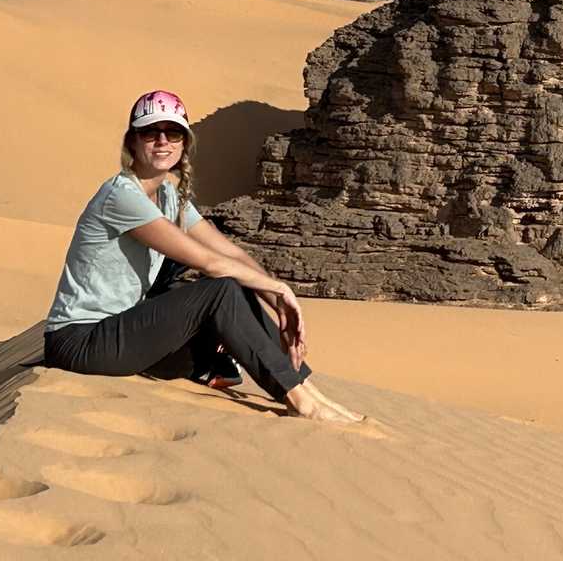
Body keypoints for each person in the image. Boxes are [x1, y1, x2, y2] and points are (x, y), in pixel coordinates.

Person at [43, 89, 364, 423]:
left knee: (236, 286)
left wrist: (277, 302)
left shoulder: (168, 196)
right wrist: (282, 290)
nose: (162, 141)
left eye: (173, 133)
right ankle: (302, 403)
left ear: (184, 144)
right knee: (221, 289)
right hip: (81, 343)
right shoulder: (121, 197)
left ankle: (307, 387)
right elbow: (209, 263)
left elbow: (229, 252)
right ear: (132, 142)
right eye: (150, 132)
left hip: (120, 332)